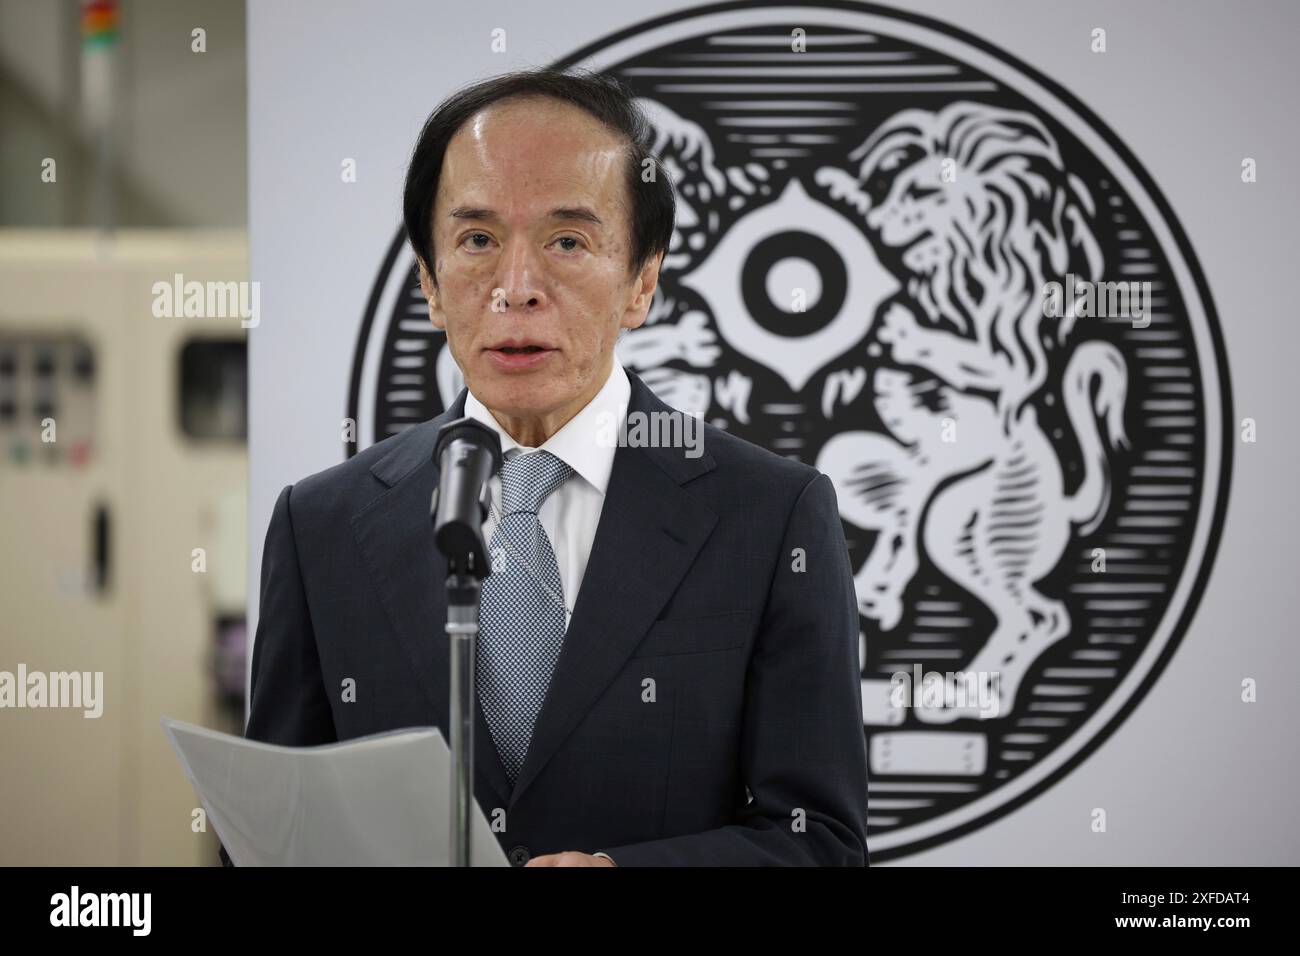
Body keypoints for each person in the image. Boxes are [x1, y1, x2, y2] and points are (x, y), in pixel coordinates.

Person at [231, 67, 867, 867]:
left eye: (568, 241)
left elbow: (821, 843)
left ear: (642, 281)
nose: (516, 289)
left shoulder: (769, 518)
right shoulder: (321, 526)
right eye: (477, 241)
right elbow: (276, 833)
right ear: (427, 282)